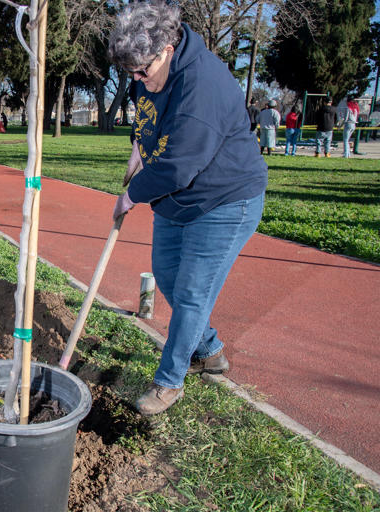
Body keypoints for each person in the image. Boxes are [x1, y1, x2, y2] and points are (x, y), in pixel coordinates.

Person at [108, 1, 267, 416]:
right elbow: (147, 115)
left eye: (142, 71)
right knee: (168, 278)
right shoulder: (150, 70)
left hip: (224, 200)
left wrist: (132, 193)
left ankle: (168, 382)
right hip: (176, 200)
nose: (139, 80)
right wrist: (138, 149)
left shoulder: (203, 84)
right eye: (131, 75)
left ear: (167, 48)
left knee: (193, 295)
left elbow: (178, 166)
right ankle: (210, 348)